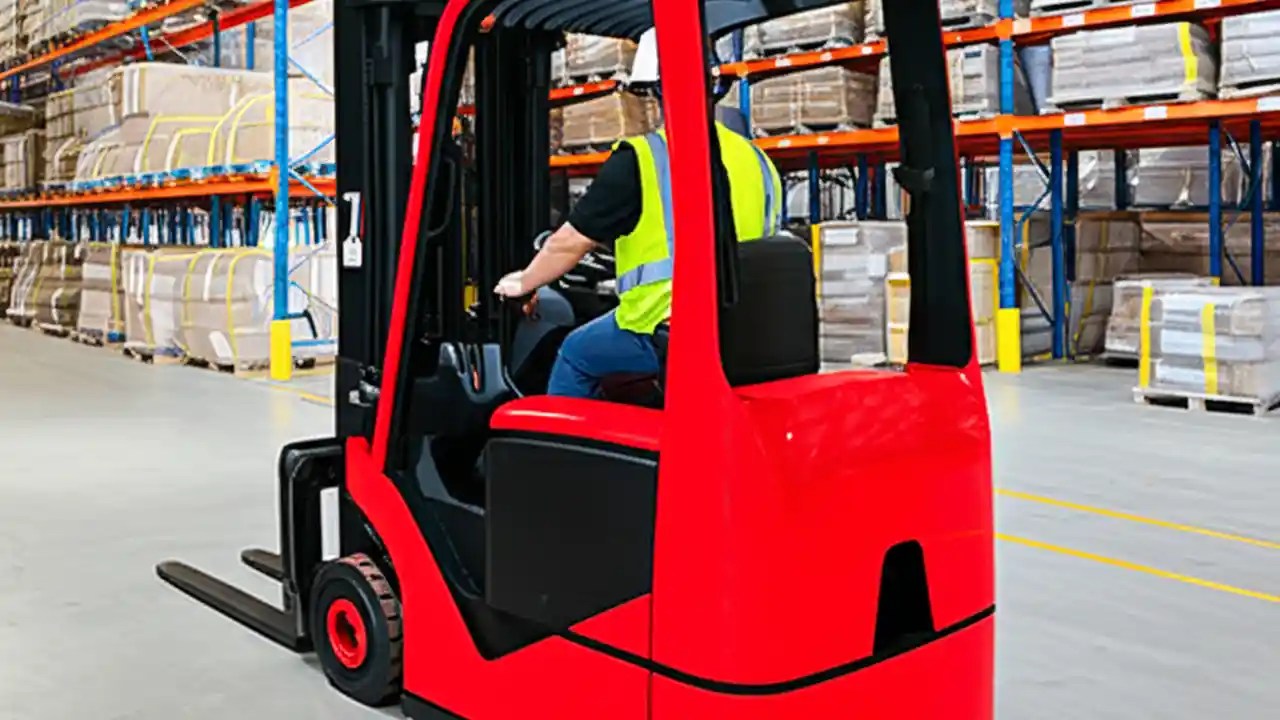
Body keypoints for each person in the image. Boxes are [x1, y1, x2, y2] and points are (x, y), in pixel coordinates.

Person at [494, 29, 783, 399]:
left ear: (656, 91)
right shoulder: (757, 158)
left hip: (671, 327)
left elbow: (569, 242)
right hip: (749, 330)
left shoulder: (643, 159)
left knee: (575, 353)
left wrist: (524, 282)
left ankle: (563, 441)